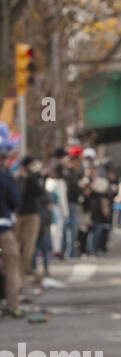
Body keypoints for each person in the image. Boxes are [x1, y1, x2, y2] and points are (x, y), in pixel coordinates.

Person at [0, 127, 23, 317]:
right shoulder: (5, 177)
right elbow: (16, 201)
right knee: (11, 266)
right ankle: (13, 304)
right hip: (3, 229)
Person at [16, 157, 44, 290]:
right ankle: (19, 275)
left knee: (15, 246)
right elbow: (39, 192)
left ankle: (19, 274)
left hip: (16, 214)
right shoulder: (30, 177)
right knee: (27, 246)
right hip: (29, 214)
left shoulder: (15, 176)